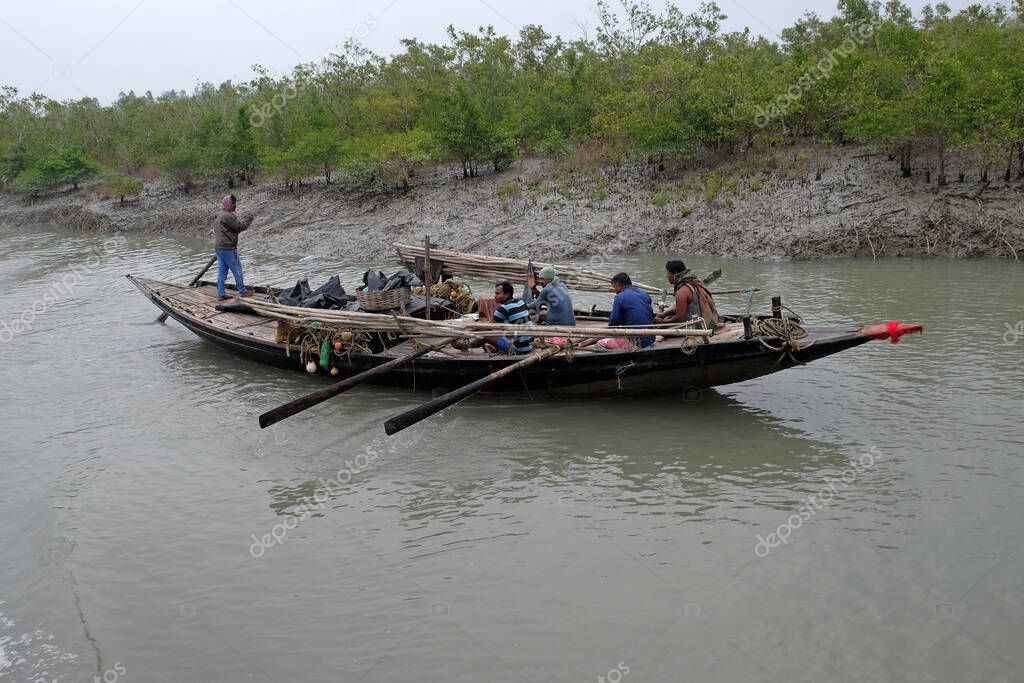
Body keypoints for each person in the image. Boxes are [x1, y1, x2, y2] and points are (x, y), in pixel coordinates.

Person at [454, 282, 534, 354]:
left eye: (498, 293)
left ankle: (466, 346)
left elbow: (487, 329)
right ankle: (495, 347)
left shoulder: (503, 309)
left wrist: (477, 326)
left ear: (507, 294)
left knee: (485, 336)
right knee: (502, 331)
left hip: (519, 349)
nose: (495, 296)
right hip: (529, 345)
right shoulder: (521, 302)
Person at [598, 272, 655, 350]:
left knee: (599, 344)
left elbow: (613, 322)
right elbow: (650, 315)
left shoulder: (619, 297)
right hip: (651, 339)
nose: (615, 290)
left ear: (619, 285)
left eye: (614, 287)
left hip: (636, 341)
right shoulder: (644, 293)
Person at [655, 259, 720, 327]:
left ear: (675, 273)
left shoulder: (681, 292)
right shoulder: (695, 282)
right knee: (667, 317)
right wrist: (665, 314)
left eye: (668, 273)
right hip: (706, 321)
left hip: (696, 327)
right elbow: (683, 308)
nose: (667, 276)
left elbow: (680, 319)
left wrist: (662, 322)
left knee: (662, 327)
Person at [214, 194, 254, 301]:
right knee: (237, 269)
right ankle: (242, 291)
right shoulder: (227, 216)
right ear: (228, 204)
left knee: (222, 272)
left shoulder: (220, 216)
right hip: (228, 248)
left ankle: (221, 293)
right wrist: (248, 220)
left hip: (219, 248)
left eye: (235, 203)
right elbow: (239, 227)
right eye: (233, 203)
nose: (235, 205)